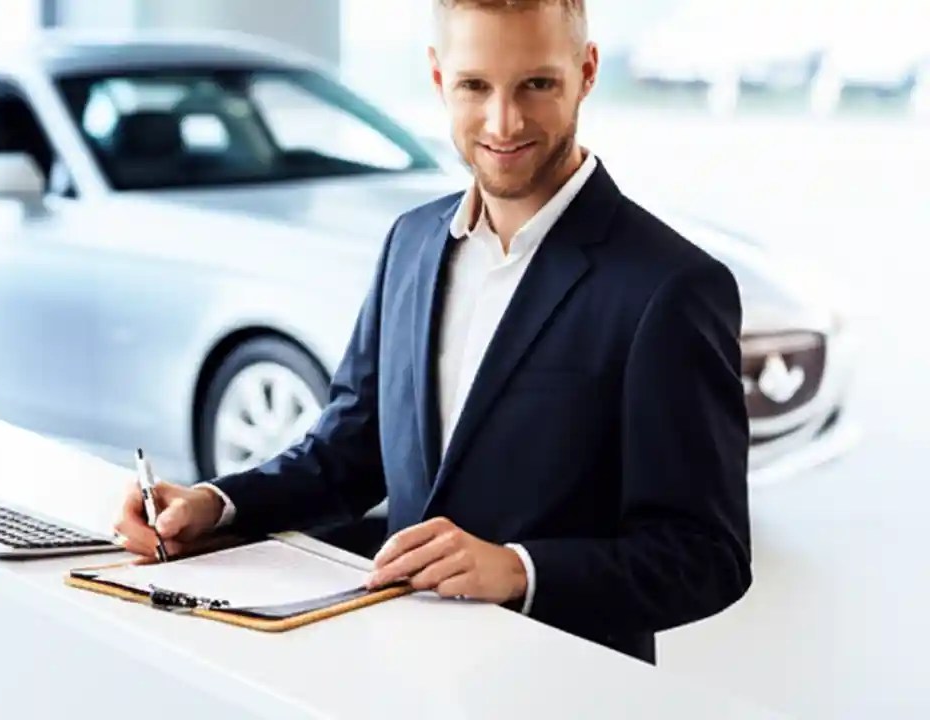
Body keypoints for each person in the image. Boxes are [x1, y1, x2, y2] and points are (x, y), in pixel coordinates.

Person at [114, 0, 751, 664]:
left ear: (586, 72)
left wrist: (519, 571)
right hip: (405, 670)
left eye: (537, 84)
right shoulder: (411, 243)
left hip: (565, 687)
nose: (504, 122)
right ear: (439, 76)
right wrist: (215, 504)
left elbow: (708, 557)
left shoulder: (669, 286)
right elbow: (348, 453)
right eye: (476, 85)